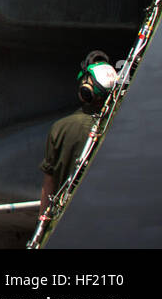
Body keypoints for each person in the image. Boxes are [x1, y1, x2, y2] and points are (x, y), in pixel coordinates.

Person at [38, 50, 118, 219]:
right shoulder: (117, 127)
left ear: (86, 91)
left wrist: (42, 219)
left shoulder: (60, 128)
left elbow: (49, 183)